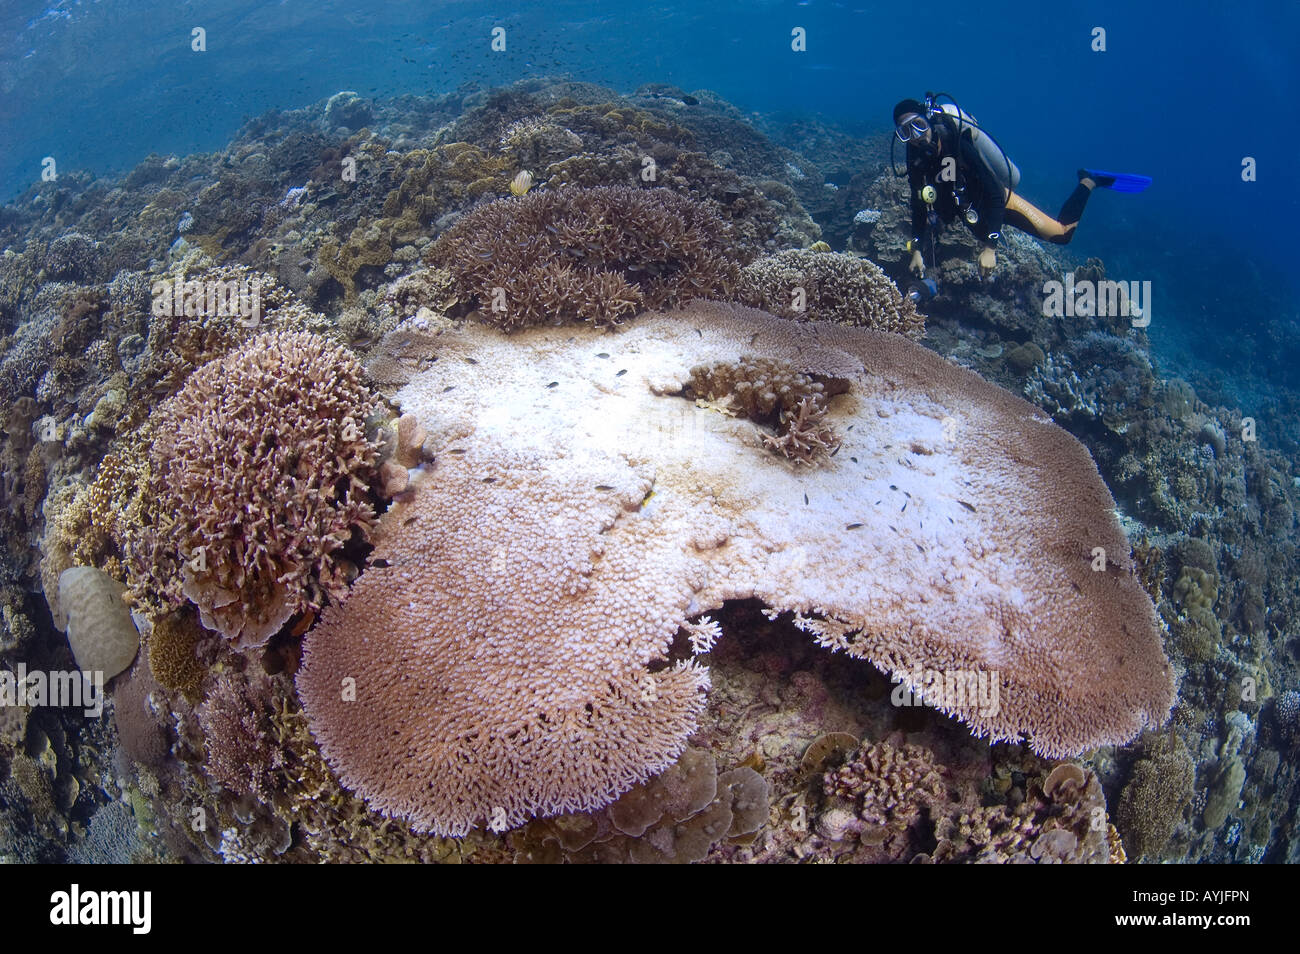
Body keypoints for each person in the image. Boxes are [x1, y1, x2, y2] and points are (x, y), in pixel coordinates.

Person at [893, 95, 1149, 279]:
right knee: (953, 221)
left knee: (1061, 235)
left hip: (995, 200)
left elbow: (994, 192)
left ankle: (1089, 180)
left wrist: (990, 248)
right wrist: (916, 249)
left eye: (918, 125)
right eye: (906, 131)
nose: (915, 136)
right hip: (968, 207)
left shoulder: (956, 142)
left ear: (928, 120)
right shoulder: (914, 156)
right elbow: (918, 204)